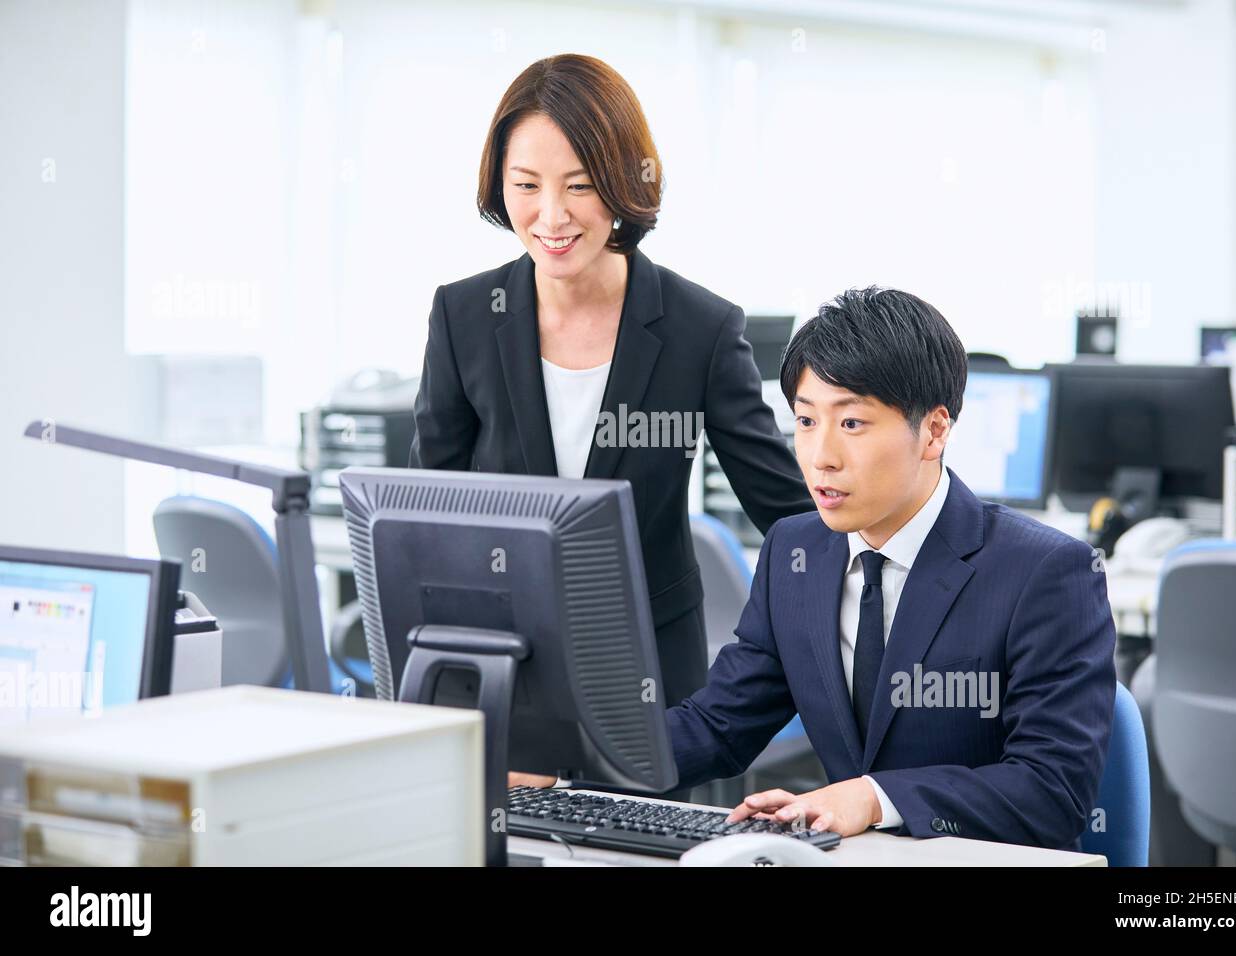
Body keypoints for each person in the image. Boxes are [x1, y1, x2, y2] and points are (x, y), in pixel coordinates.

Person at [410, 54, 812, 715]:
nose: (551, 216)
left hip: (650, 671)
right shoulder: (465, 318)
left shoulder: (699, 328)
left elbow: (790, 515)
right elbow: (425, 518)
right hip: (499, 665)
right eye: (526, 185)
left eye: (579, 185)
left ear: (624, 180)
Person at [666, 286, 1117, 848]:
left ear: (933, 430)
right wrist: (562, 763)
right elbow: (719, 726)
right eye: (806, 422)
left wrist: (871, 797)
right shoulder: (795, 552)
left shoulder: (1047, 572)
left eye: (851, 424)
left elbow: (1053, 792)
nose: (821, 455)